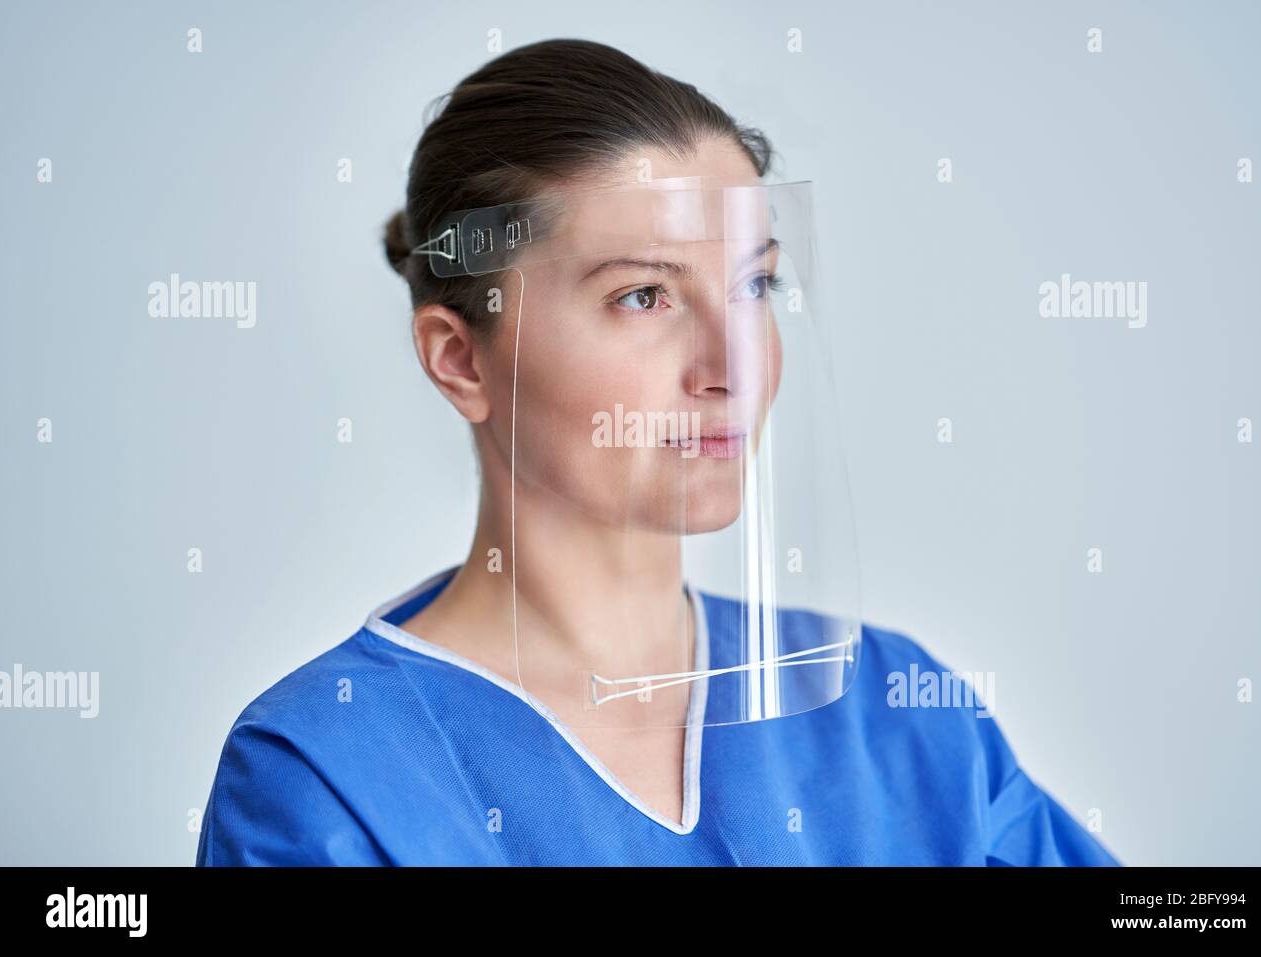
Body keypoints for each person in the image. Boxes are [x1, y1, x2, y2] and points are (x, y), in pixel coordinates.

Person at [196, 38, 1120, 866]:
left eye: (755, 284)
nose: (735, 365)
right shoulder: (330, 775)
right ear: (461, 358)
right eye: (645, 296)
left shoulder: (895, 716)